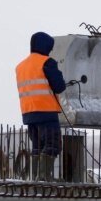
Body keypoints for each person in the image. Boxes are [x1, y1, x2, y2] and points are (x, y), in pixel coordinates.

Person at [15, 32, 67, 181]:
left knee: (38, 146)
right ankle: (45, 177)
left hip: (29, 113)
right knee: (52, 144)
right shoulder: (47, 62)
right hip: (46, 111)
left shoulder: (21, 66)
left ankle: (36, 178)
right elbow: (59, 87)